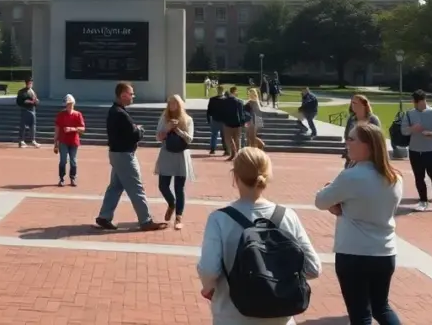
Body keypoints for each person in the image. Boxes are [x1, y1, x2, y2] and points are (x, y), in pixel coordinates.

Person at [197, 148, 322, 324]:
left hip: (233, 315)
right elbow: (313, 268)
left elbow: (209, 269)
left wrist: (208, 287)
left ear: (235, 176)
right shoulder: (287, 216)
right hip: (280, 316)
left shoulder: (219, 219)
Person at [315, 122, 403, 325]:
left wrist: (337, 205)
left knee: (360, 314)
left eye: (352, 139)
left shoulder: (351, 176)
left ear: (367, 145)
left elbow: (321, 201)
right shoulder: (395, 177)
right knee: (381, 307)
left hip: (354, 253)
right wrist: (340, 207)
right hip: (384, 252)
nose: (347, 143)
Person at [94, 82, 165, 232]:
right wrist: (140, 130)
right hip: (124, 156)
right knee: (136, 187)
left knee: (115, 187)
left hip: (117, 154)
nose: (133, 96)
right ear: (123, 95)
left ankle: (104, 217)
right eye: (131, 94)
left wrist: (135, 129)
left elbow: (125, 133)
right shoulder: (120, 114)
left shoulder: (115, 111)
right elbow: (134, 135)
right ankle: (145, 220)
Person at [400, 90, 432, 212]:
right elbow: (403, 131)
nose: (416, 105)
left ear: (423, 101)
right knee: (419, 176)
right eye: (414, 102)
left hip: (431, 149)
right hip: (415, 150)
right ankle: (423, 200)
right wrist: (412, 129)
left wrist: (431, 133)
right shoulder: (409, 113)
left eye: (417, 102)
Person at [155, 94, 195, 230]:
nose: (172, 106)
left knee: (179, 188)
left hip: (181, 155)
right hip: (167, 154)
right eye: (170, 103)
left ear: (180, 105)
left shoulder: (188, 119)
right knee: (163, 185)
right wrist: (167, 128)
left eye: (175, 103)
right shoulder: (164, 118)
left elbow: (189, 139)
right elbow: (158, 137)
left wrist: (178, 130)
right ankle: (171, 203)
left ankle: (179, 217)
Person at [54, 94, 85, 187]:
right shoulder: (61, 115)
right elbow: (57, 129)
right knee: (63, 160)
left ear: (73, 104)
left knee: (73, 161)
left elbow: (82, 129)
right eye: (68, 104)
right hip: (63, 141)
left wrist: (72, 129)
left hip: (74, 141)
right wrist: (55, 143)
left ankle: (73, 178)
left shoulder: (78, 114)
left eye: (71, 104)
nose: (69, 106)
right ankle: (61, 178)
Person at [343, 94, 380, 167]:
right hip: (353, 154)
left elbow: (378, 137)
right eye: (352, 103)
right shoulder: (351, 119)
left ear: (363, 105)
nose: (352, 105)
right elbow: (346, 135)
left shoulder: (373, 119)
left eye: (355, 103)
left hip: (369, 155)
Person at [219, 87, 246, 160]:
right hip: (237, 123)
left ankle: (233, 152)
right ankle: (238, 154)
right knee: (237, 139)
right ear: (234, 92)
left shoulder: (224, 101)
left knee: (228, 139)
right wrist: (243, 123)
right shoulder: (239, 102)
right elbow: (241, 114)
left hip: (227, 123)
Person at [15, 78, 40, 148]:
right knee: (23, 125)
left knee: (33, 125)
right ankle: (21, 141)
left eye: (31, 83)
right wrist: (26, 101)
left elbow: (35, 101)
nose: (31, 84)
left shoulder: (32, 91)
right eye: (29, 83)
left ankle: (33, 140)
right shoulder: (22, 92)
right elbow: (19, 101)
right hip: (25, 109)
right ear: (26, 83)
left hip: (32, 110)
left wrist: (36, 102)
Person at [206, 85, 225, 155]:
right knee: (223, 135)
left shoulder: (212, 99)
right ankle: (226, 149)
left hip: (215, 119)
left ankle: (213, 149)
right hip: (222, 120)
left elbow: (209, 110)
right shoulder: (225, 100)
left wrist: (208, 119)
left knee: (214, 135)